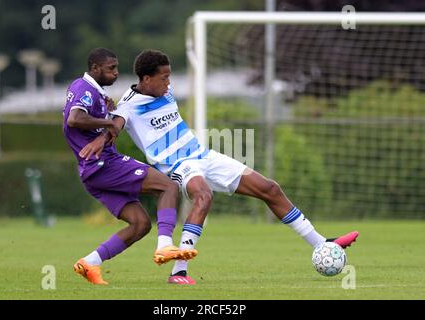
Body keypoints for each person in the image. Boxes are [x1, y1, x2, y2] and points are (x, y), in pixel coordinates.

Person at [79, 49, 359, 285]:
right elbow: (115, 126)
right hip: (177, 165)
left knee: (269, 188)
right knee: (203, 195)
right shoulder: (128, 106)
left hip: (203, 155)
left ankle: (323, 243)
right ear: (147, 78)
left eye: (170, 77)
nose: (168, 82)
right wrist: (102, 140)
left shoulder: (163, 91)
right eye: (164, 77)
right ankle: (179, 271)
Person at [62, 48, 196, 285]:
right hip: (103, 165)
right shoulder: (84, 88)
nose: (116, 72)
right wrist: (108, 121)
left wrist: (107, 112)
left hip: (92, 172)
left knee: (140, 224)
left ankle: (89, 263)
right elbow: (75, 119)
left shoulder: (94, 92)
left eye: (116, 67)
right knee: (168, 187)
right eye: (110, 68)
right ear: (95, 69)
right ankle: (165, 246)